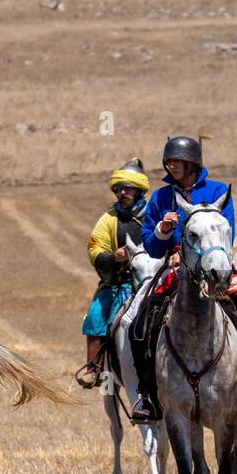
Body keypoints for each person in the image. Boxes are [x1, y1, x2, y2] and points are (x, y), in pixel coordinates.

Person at [129, 136, 237, 422]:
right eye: (168, 161)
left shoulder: (218, 191)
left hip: (216, 269)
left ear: (192, 163)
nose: (170, 165)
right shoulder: (161, 198)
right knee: (140, 322)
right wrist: (163, 230)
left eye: (176, 161)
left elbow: (226, 234)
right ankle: (148, 395)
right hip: (175, 272)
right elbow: (150, 245)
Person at [77, 158, 151, 388]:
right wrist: (112, 257)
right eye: (118, 189)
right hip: (119, 283)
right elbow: (94, 248)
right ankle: (94, 368)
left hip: (150, 280)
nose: (121, 193)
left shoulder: (153, 215)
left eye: (126, 188)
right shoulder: (109, 218)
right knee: (95, 315)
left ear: (138, 190)